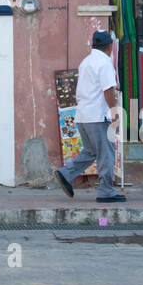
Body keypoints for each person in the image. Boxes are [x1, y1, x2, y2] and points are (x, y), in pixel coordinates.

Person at [55, 29, 126, 203]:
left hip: (83, 116)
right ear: (110, 46)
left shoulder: (86, 62)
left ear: (93, 44)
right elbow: (108, 90)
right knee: (106, 154)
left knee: (91, 151)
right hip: (97, 116)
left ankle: (66, 173)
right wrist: (115, 112)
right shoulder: (105, 63)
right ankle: (106, 191)